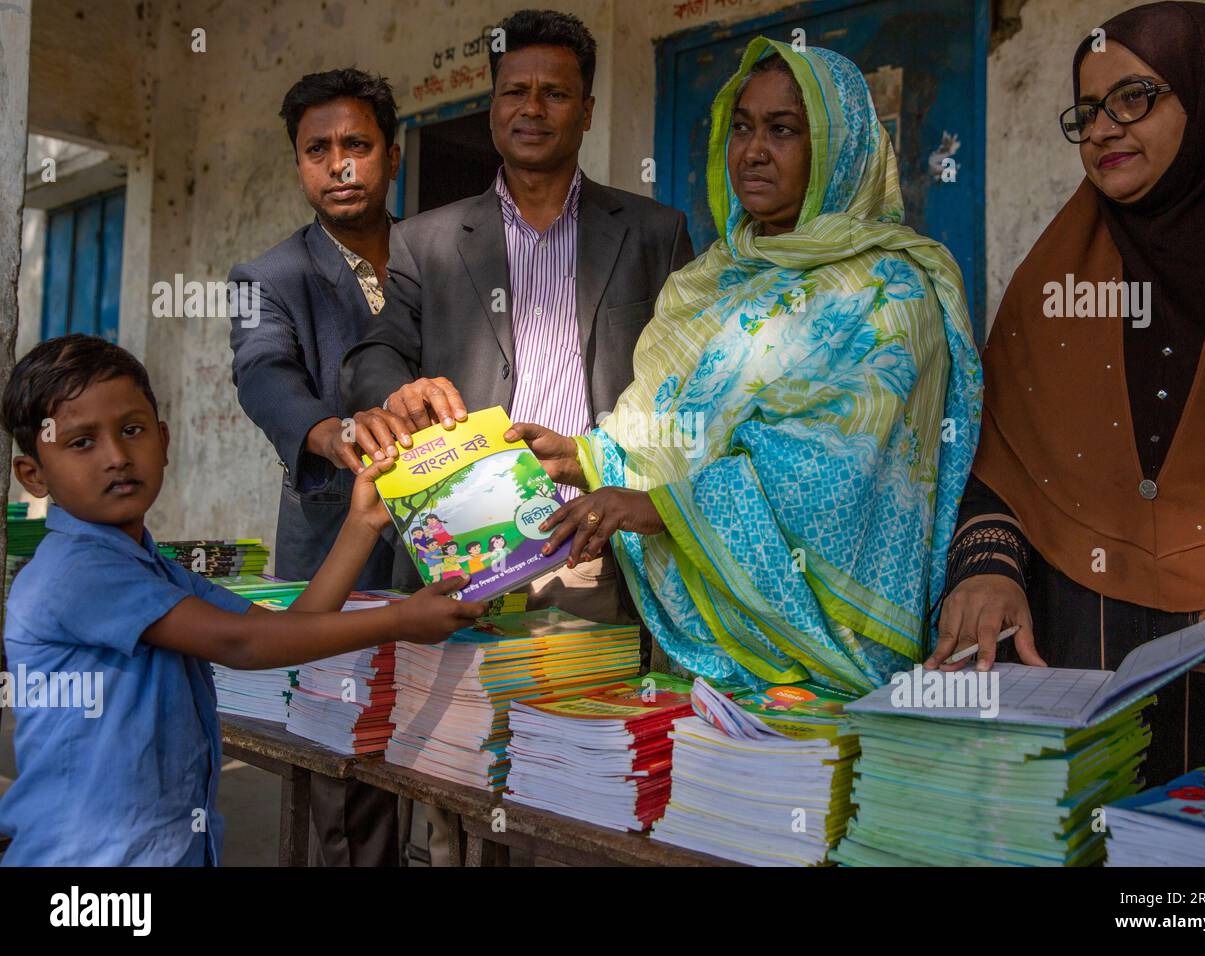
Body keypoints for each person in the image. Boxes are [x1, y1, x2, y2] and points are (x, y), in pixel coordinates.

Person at [512, 38, 982, 692]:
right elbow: (675, 422)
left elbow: (836, 474)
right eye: (741, 128)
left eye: (783, 130)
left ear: (838, 151)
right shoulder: (710, 281)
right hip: (704, 649)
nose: (753, 150)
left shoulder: (891, 292)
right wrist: (589, 458)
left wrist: (664, 511)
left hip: (820, 660)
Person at [928, 2, 1205, 778]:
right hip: (1084, 659)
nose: (1101, 129)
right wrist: (987, 564)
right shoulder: (1054, 283)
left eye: (1134, 97)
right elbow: (999, 464)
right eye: (1088, 110)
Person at [0, 335, 484, 866]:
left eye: (132, 431)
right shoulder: (78, 571)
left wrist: (363, 522)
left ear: (163, 441)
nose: (116, 457)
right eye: (80, 443)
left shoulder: (151, 567)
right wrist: (401, 619)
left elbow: (292, 626)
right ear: (34, 476)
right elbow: (245, 643)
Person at [340, 9, 694, 626]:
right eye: (515, 92)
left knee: (584, 720)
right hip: (461, 549)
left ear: (585, 112)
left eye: (555, 94)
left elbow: (689, 385)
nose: (533, 109)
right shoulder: (427, 240)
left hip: (594, 544)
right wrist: (398, 392)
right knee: (459, 723)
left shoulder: (653, 234)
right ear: (492, 107)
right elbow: (375, 353)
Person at [227, 66, 410, 868]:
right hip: (336, 534)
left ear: (392, 156)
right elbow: (261, 373)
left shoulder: (442, 254)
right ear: (299, 162)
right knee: (344, 749)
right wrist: (330, 433)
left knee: (451, 741)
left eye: (358, 145)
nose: (340, 165)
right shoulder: (264, 280)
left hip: (452, 538)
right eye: (319, 149)